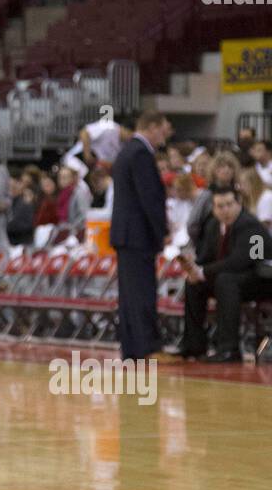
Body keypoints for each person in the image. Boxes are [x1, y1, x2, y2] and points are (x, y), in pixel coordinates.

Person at [175, 187, 272, 362]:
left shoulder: (251, 225)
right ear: (213, 208)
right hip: (232, 280)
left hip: (261, 280)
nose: (225, 210)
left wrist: (203, 272)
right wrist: (193, 269)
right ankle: (193, 346)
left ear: (238, 204)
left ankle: (229, 349)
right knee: (193, 283)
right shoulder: (213, 225)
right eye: (220, 206)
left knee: (225, 280)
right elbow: (204, 257)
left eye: (229, 204)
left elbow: (241, 261)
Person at [110, 110, 173, 362]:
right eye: (164, 129)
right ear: (153, 126)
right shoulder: (140, 153)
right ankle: (149, 348)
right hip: (137, 234)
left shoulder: (126, 151)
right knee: (143, 292)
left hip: (126, 234)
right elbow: (150, 198)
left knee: (129, 295)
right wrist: (163, 231)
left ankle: (133, 349)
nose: (165, 136)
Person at [187, 151, 239, 252]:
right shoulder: (207, 195)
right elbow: (193, 223)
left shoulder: (238, 194)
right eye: (221, 167)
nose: (226, 170)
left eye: (230, 166)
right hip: (210, 248)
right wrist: (202, 243)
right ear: (214, 170)